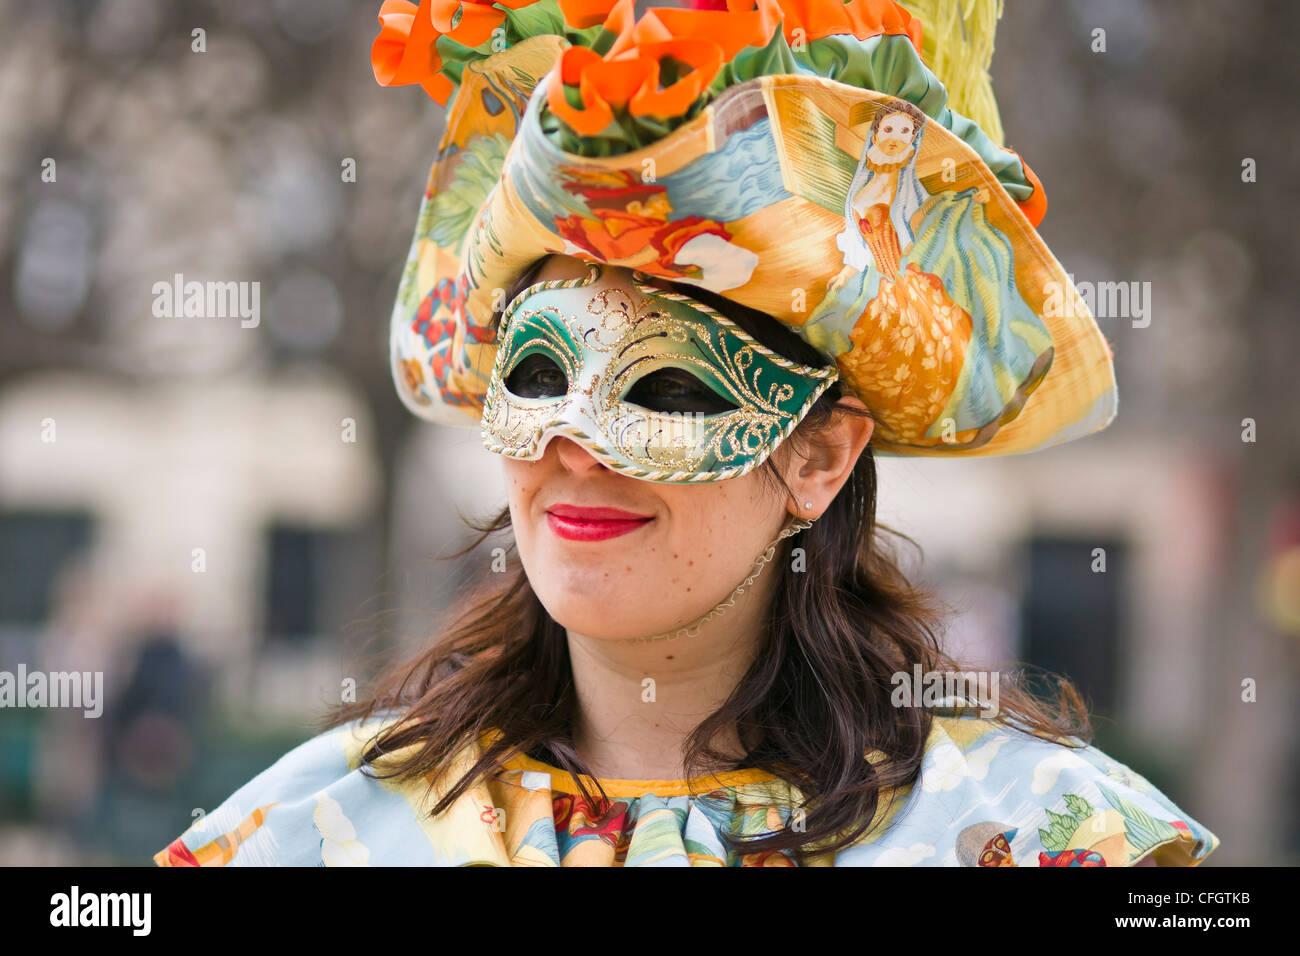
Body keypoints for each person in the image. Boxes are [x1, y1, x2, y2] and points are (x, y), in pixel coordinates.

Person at [154, 0, 1218, 867]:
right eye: (535, 372)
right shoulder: (305, 834)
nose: (575, 441)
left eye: (665, 391)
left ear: (819, 456)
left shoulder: (1039, 836)